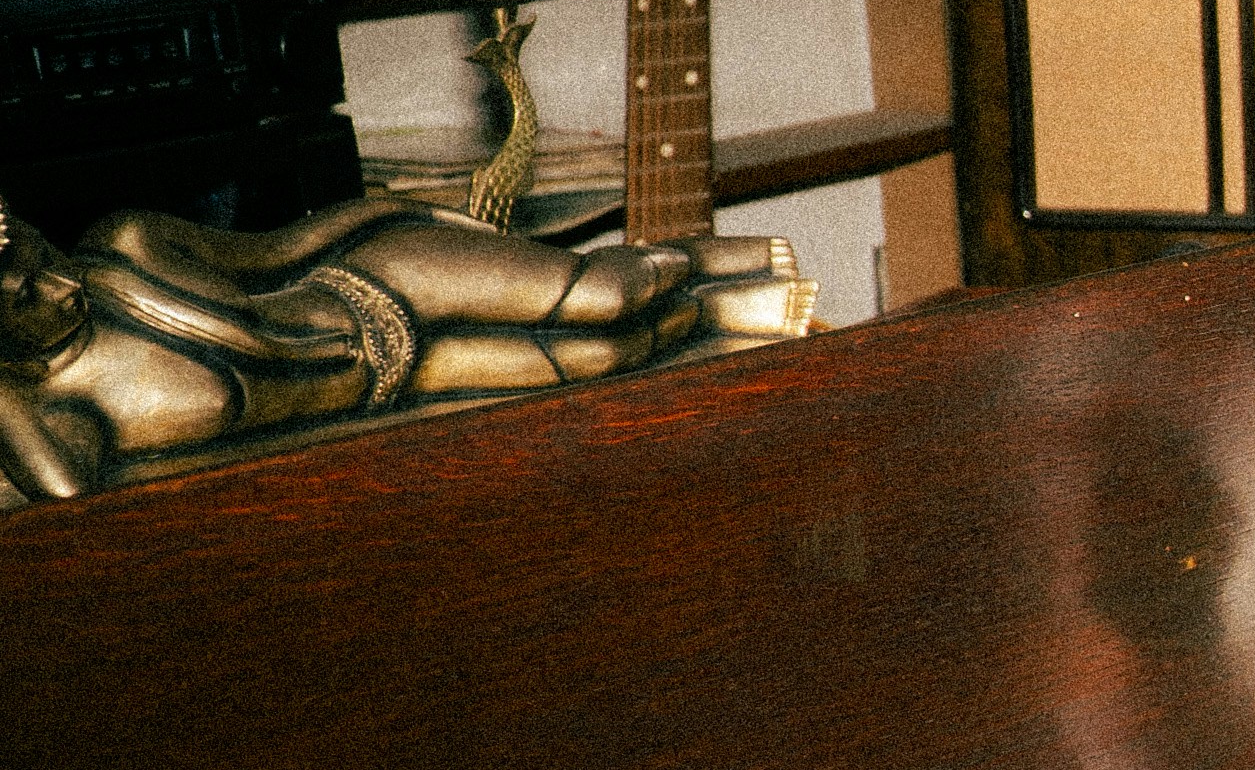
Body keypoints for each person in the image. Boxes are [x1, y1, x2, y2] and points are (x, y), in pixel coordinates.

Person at [0, 193, 812, 508]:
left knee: (605, 297)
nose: (60, 288)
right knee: (608, 361)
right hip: (407, 381)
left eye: (43, 259)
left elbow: (283, 245)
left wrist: (390, 210)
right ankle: (720, 316)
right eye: (27, 298)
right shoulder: (70, 413)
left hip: (389, 285)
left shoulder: (128, 241)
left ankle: (707, 259)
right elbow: (72, 508)